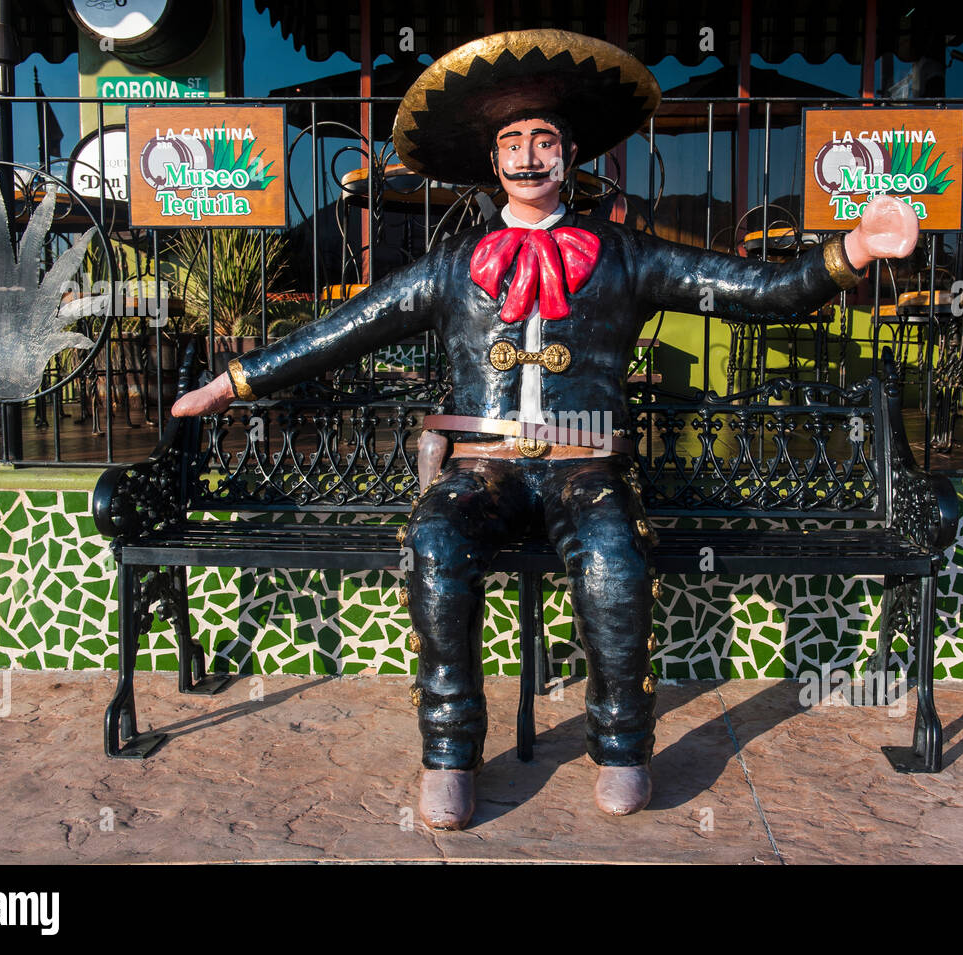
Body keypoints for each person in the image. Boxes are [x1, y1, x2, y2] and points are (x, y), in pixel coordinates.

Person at [173, 29, 919, 829]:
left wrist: (851, 251)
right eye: (512, 143)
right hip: (479, 469)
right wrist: (233, 380)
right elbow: (345, 327)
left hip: (585, 465)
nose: (528, 156)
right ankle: (450, 753)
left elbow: (754, 289)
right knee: (433, 542)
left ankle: (623, 744)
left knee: (614, 554)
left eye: (544, 140)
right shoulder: (450, 261)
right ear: (493, 162)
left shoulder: (624, 254)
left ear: (570, 154)